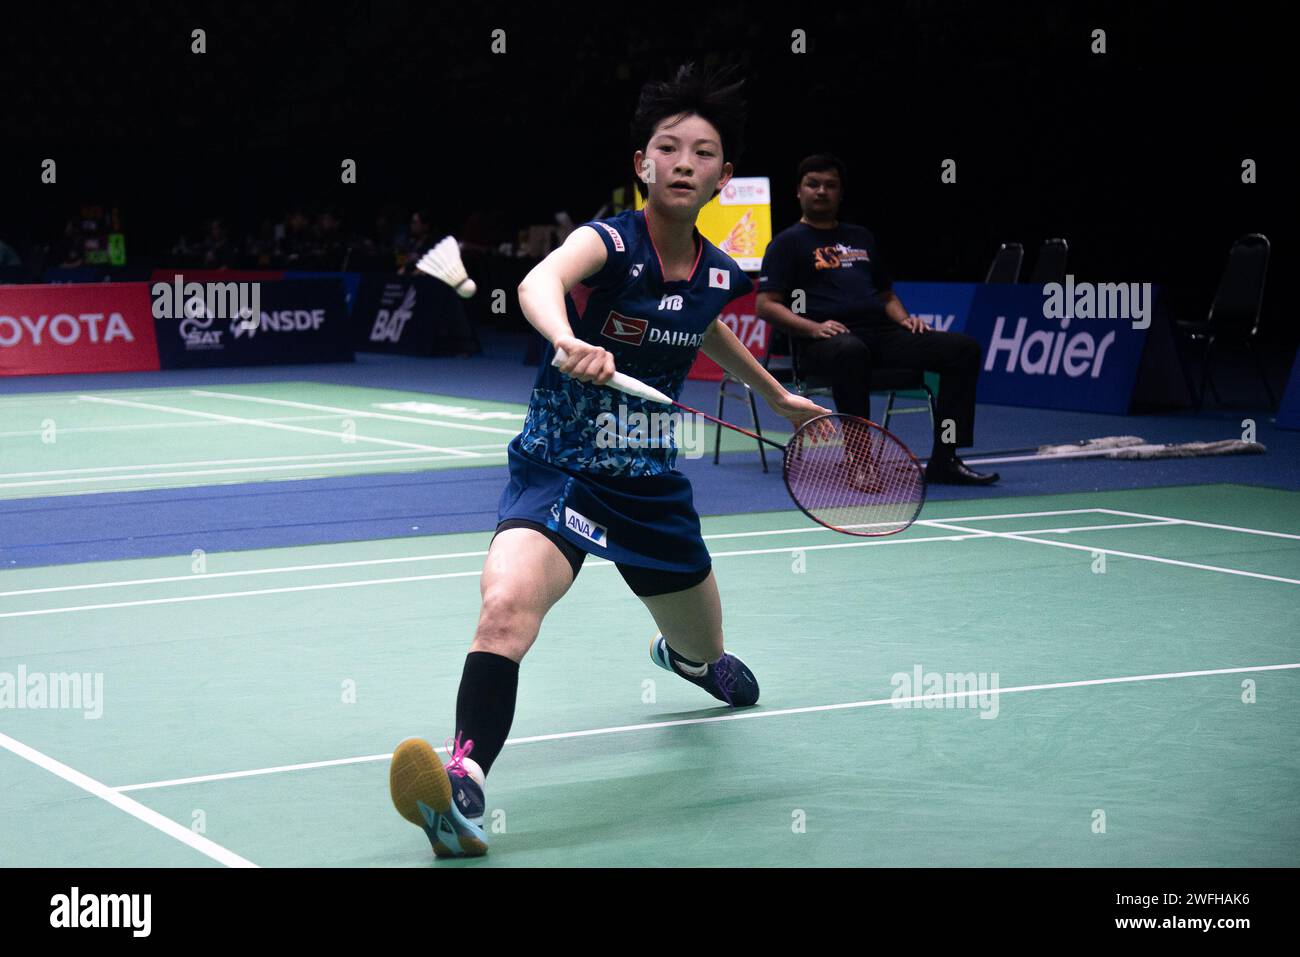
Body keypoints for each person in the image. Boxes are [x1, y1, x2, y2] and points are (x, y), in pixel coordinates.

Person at [388, 63, 830, 859]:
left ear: (723, 178)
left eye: (702, 152)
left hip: (650, 487)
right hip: (558, 466)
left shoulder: (721, 270)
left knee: (708, 650)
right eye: (669, 147)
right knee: (505, 610)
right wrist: (566, 338)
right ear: (643, 165)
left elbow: (702, 324)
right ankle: (463, 782)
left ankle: (686, 662)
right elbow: (540, 279)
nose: (684, 161)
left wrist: (775, 394)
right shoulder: (611, 242)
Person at [757, 155, 999, 484]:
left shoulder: (861, 237)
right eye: (813, 184)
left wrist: (905, 320)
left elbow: (886, 294)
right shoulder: (786, 243)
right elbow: (767, 305)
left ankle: (945, 458)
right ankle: (861, 461)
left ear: (841, 193)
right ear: (798, 191)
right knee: (850, 351)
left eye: (830, 185)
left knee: (962, 349)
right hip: (824, 343)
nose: (821, 191)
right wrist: (814, 328)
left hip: (882, 334)